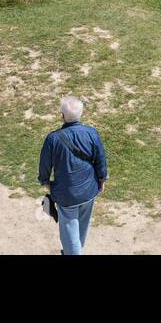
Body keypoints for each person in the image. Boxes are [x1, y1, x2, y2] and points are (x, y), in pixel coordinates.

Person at [39, 96, 108, 255]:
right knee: (81, 228)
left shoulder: (53, 138)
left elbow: (44, 166)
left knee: (70, 232)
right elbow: (100, 160)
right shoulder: (92, 133)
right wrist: (102, 180)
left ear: (62, 116)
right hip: (89, 190)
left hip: (66, 195)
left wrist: (46, 182)